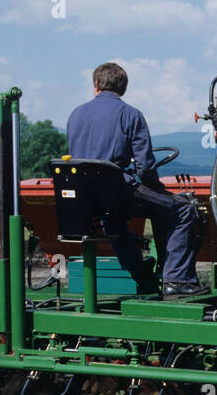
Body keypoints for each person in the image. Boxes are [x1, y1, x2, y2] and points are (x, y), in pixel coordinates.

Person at [66, 62, 200, 296]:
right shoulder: (130, 115)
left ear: (95, 85)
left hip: (86, 198)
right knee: (183, 210)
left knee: (114, 222)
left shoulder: (75, 115)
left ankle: (144, 278)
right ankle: (177, 280)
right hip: (118, 191)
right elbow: (146, 167)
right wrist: (160, 193)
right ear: (124, 88)